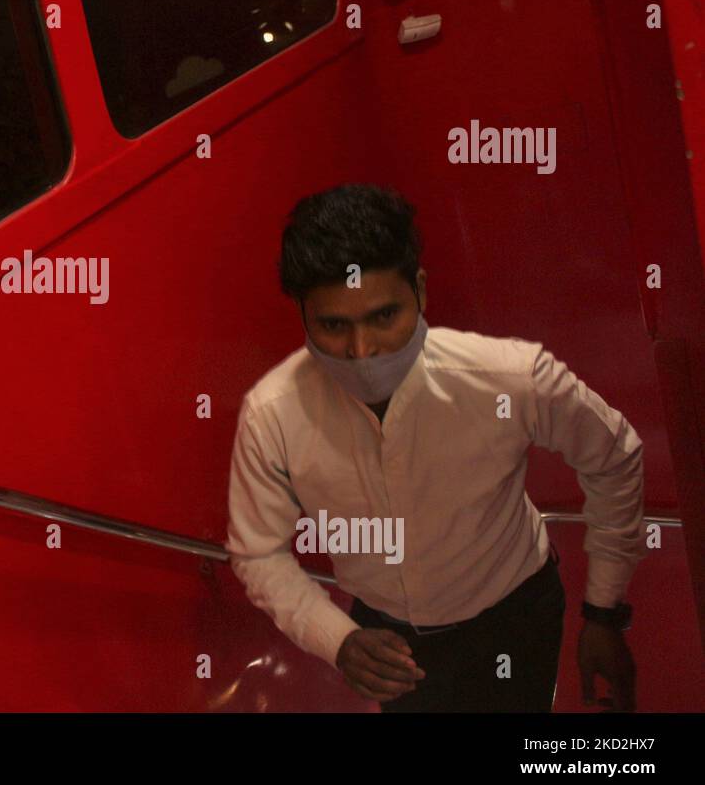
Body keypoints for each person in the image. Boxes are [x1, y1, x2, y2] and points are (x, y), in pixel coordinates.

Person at [225, 184, 647, 712]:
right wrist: (337, 637)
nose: (362, 351)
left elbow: (615, 457)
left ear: (420, 292)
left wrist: (603, 611)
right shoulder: (272, 413)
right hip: (387, 638)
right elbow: (257, 550)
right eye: (334, 325)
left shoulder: (509, 377)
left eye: (384, 316)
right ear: (304, 316)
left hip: (515, 614)